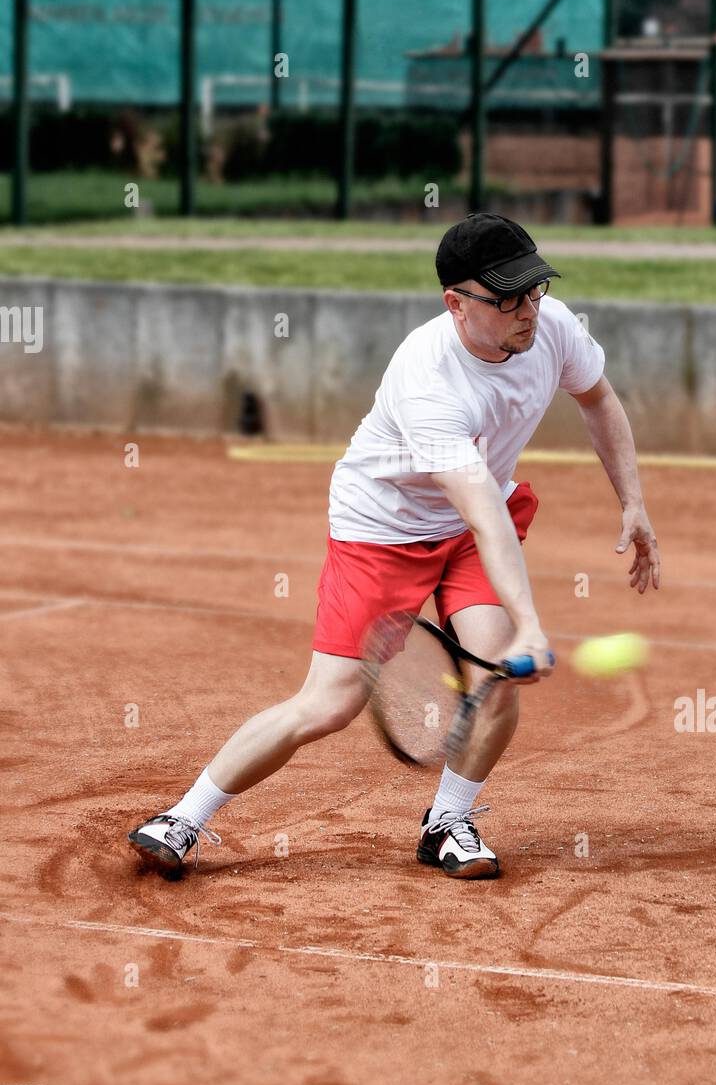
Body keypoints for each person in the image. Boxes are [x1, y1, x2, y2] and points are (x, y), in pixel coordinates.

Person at [128, 213, 660, 880]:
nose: (529, 309)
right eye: (507, 298)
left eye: (535, 290)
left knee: (494, 678)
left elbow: (598, 399)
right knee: (330, 703)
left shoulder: (552, 328)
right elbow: (484, 513)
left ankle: (448, 824)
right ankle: (182, 817)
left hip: (470, 525)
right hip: (384, 529)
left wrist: (633, 501)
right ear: (456, 305)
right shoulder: (427, 378)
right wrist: (530, 623)